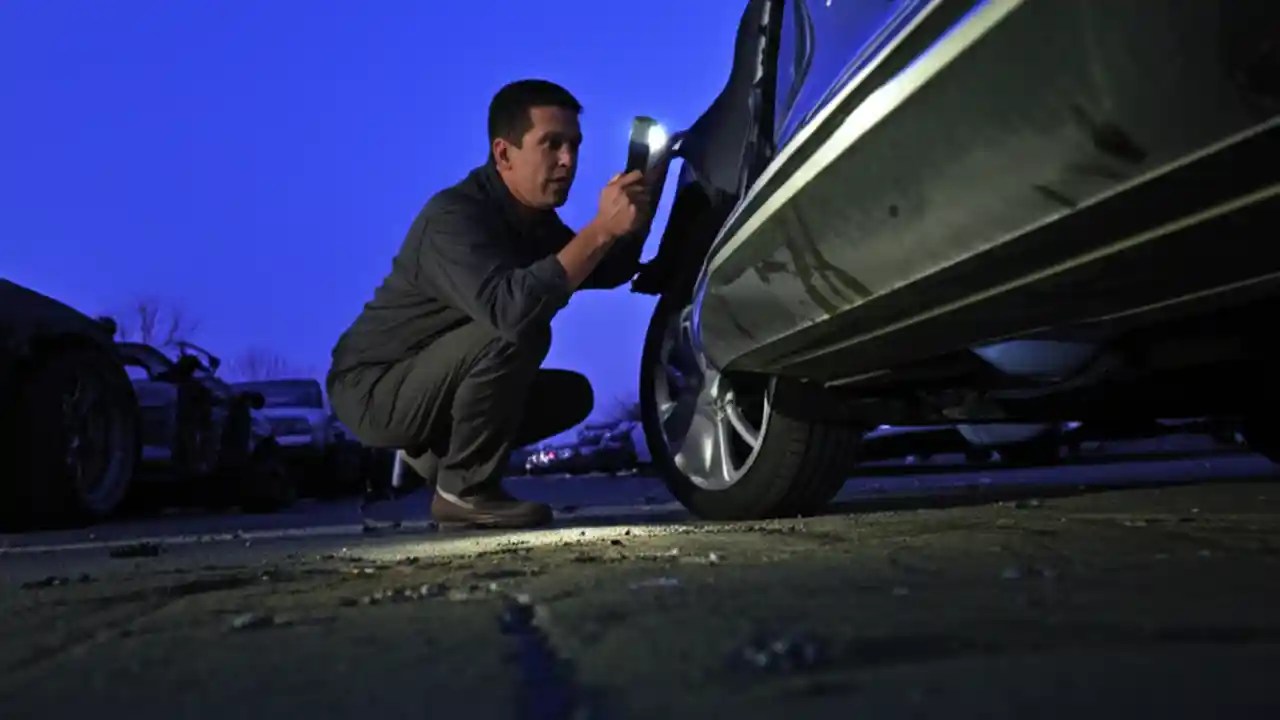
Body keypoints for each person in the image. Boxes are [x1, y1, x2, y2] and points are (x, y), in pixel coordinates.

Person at [326, 79, 667, 529]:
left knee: (569, 396)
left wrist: (637, 212)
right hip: (373, 388)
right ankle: (464, 491)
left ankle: (434, 454)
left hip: (433, 378)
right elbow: (512, 310)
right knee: (520, 326)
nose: (568, 160)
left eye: (574, 145)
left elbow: (601, 269)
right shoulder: (454, 217)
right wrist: (600, 230)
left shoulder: (534, 222)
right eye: (552, 144)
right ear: (504, 154)